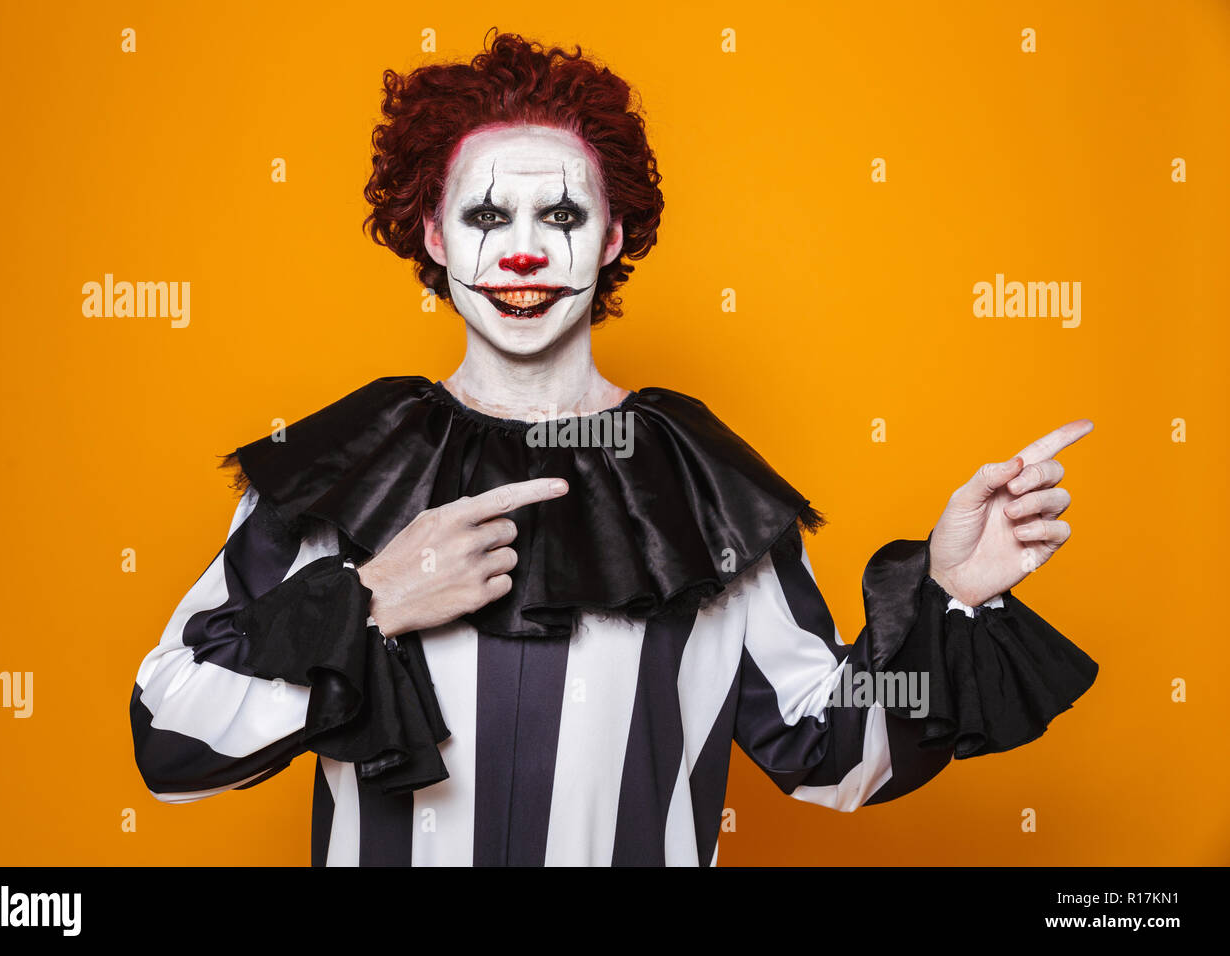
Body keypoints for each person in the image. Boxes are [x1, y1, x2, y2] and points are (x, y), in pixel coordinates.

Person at [129, 30, 1098, 866]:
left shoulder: (700, 484)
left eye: (560, 216)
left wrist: (950, 594)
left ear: (610, 236)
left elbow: (827, 746)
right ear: (431, 231)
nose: (521, 254)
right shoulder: (348, 467)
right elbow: (169, 724)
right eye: (484, 216)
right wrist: (368, 601)